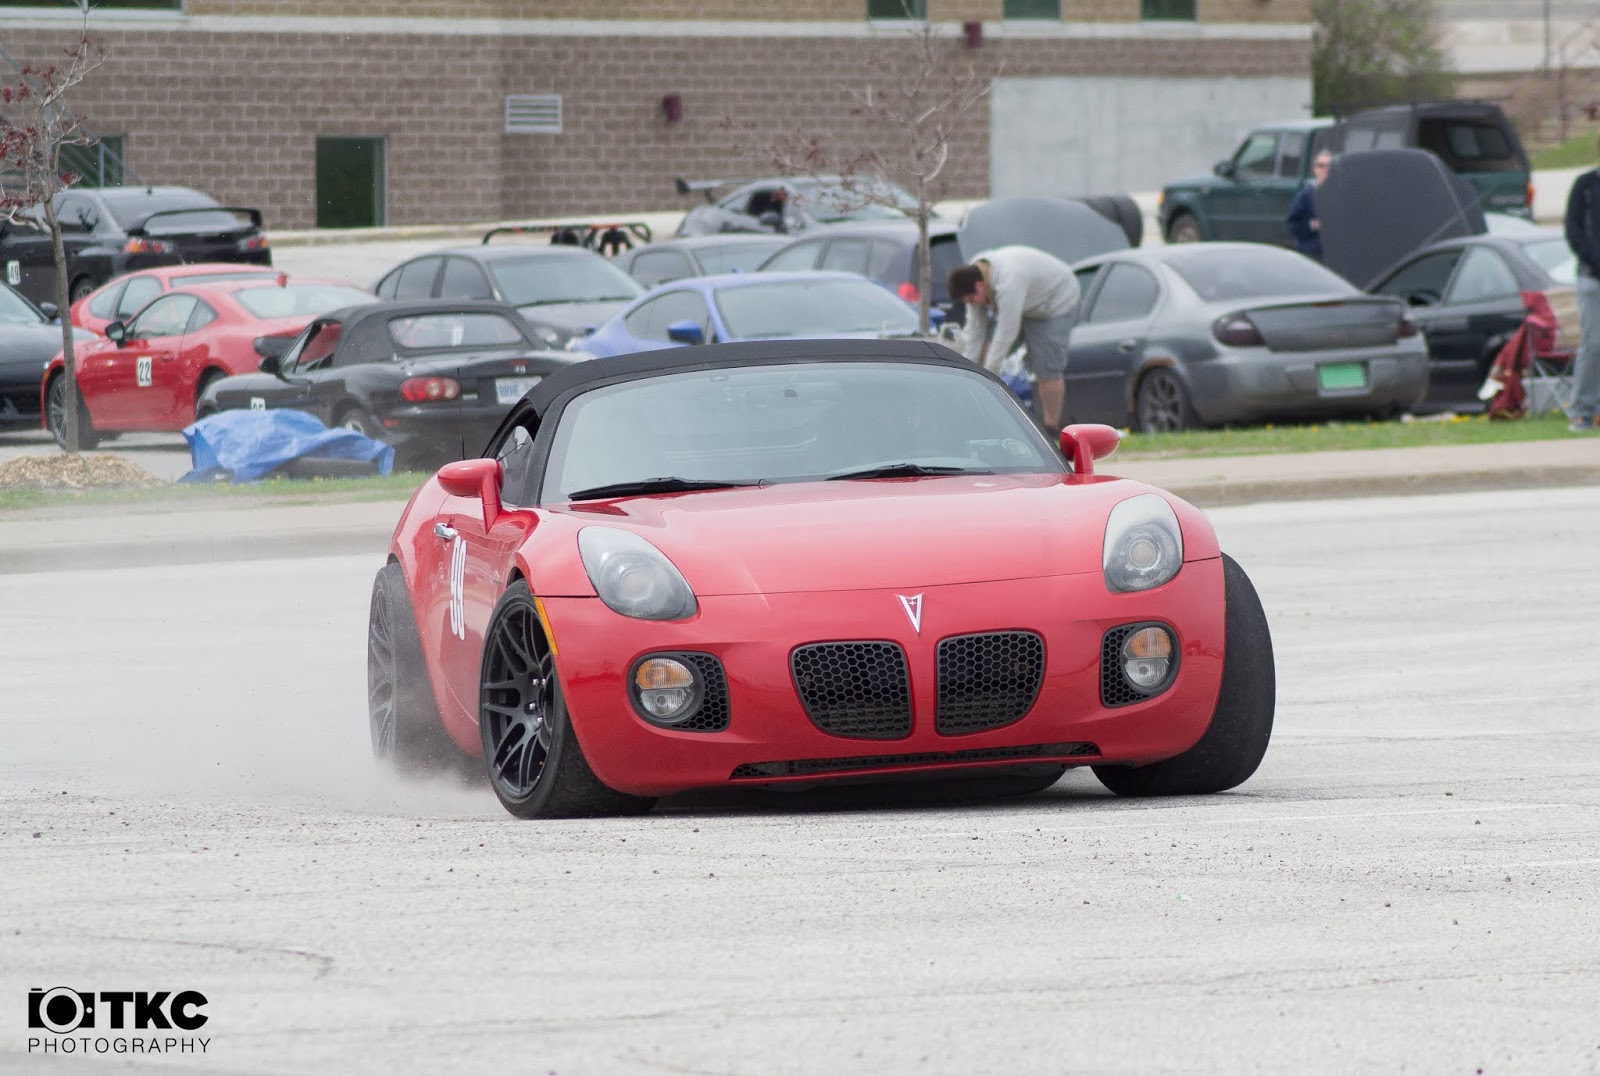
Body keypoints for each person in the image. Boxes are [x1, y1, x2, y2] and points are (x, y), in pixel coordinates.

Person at [947, 246, 1080, 437]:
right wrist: (965, 372)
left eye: (972, 299)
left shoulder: (1010, 281)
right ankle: (975, 418)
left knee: (1046, 367)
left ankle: (1051, 428)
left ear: (979, 286)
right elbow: (975, 332)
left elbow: (1006, 333)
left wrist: (988, 375)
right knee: (986, 349)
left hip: (1054, 302)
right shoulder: (976, 272)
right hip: (1026, 299)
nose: (973, 304)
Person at [1563, 137, 1600, 433]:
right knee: (1594, 343)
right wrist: (1594, 258)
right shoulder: (1585, 186)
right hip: (1592, 278)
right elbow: (1573, 230)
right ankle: (1582, 410)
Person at [1286, 149, 1332, 260]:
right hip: (1311, 252)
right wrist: (1312, 225)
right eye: (1321, 166)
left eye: (1329, 166)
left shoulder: (1340, 193)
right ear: (1315, 169)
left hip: (1333, 252)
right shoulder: (1306, 195)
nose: (1325, 169)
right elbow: (1292, 225)